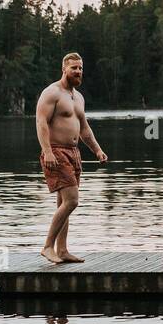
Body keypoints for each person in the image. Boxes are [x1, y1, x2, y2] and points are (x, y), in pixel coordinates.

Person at [36, 52, 108, 264]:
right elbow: (40, 122)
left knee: (63, 202)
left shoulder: (78, 97)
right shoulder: (52, 93)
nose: (78, 71)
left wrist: (97, 150)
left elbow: (84, 128)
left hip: (74, 153)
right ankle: (48, 246)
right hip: (56, 152)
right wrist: (47, 151)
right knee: (72, 200)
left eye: (80, 68)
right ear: (64, 69)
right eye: (74, 68)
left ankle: (63, 249)